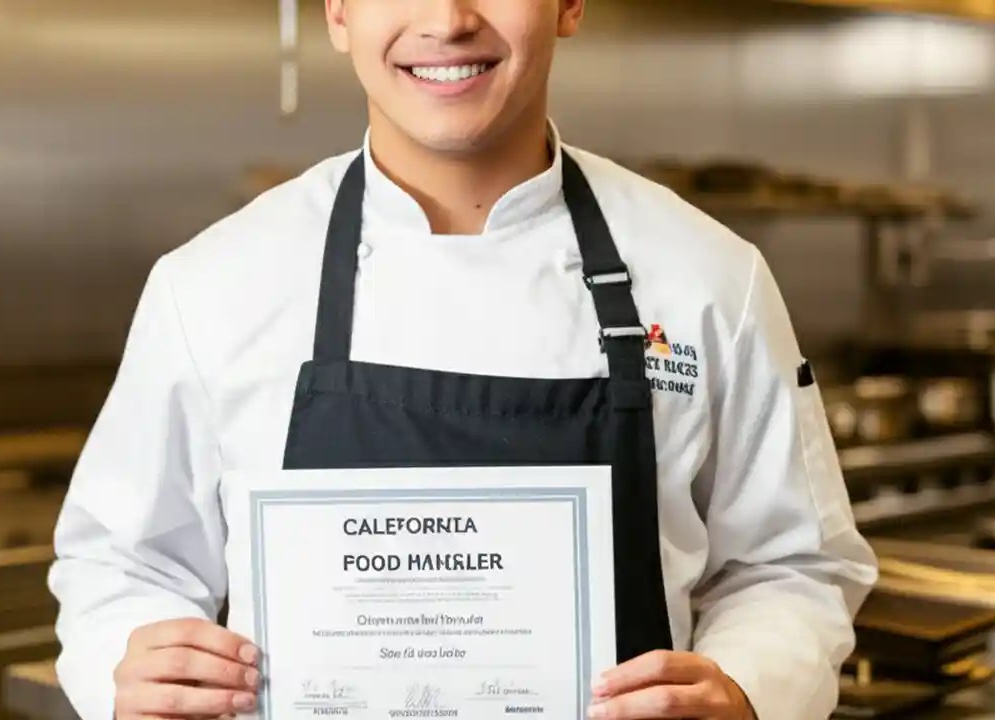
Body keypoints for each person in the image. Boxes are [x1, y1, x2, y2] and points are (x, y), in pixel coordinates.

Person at [48, 1, 879, 719]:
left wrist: (745, 688)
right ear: (338, 12)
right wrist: (129, 659)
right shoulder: (214, 285)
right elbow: (121, 563)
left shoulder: (707, 277)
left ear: (569, 4)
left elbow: (792, 566)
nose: (447, 20)